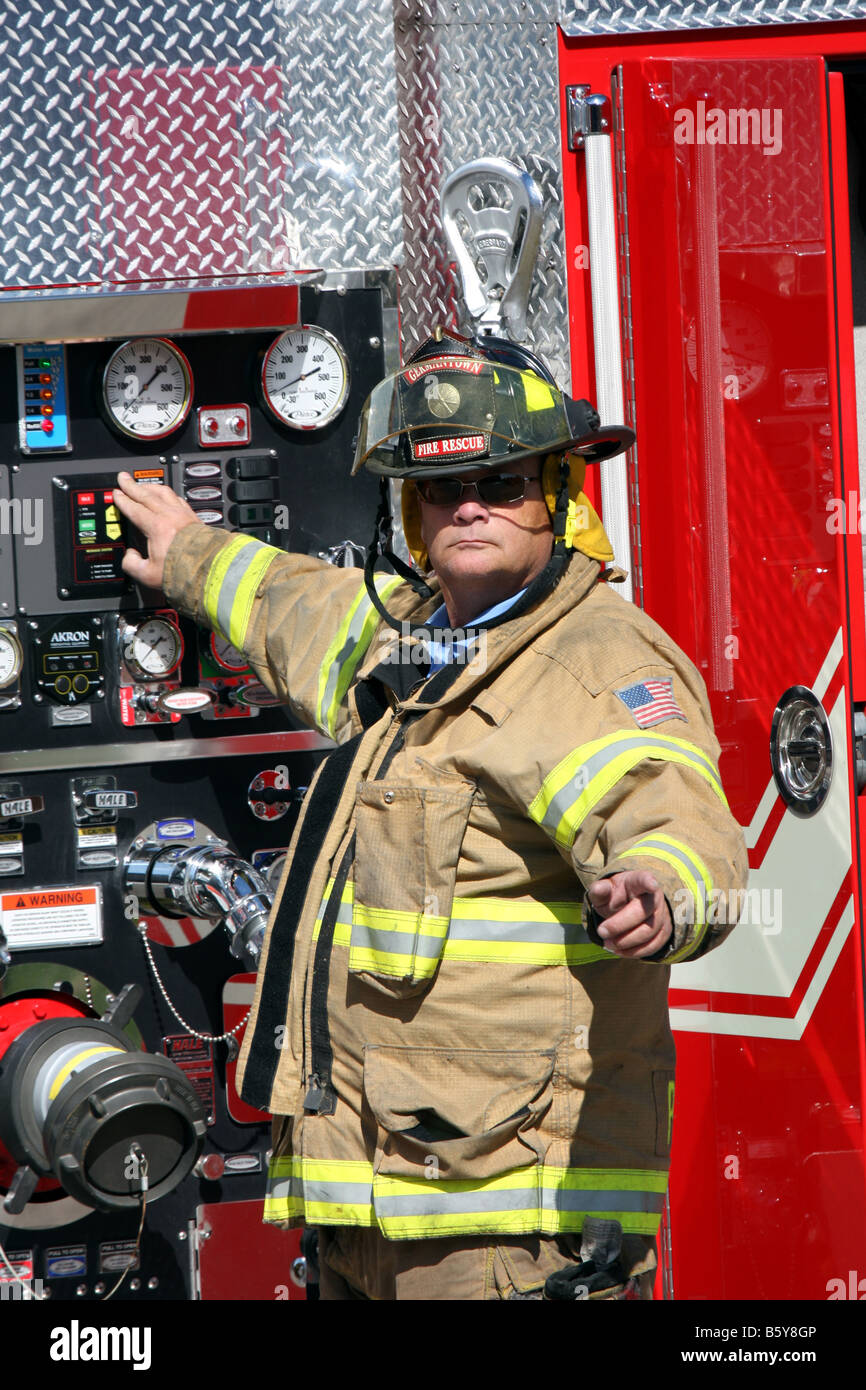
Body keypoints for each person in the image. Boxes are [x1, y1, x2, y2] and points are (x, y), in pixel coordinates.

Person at [113, 329, 749, 1301]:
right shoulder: (418, 640)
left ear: (557, 495)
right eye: (439, 489)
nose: (468, 507)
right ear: (409, 510)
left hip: (503, 1229)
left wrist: (660, 892)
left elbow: (670, 807)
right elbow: (302, 609)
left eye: (501, 484)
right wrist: (189, 553)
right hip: (371, 1207)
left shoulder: (595, 662)